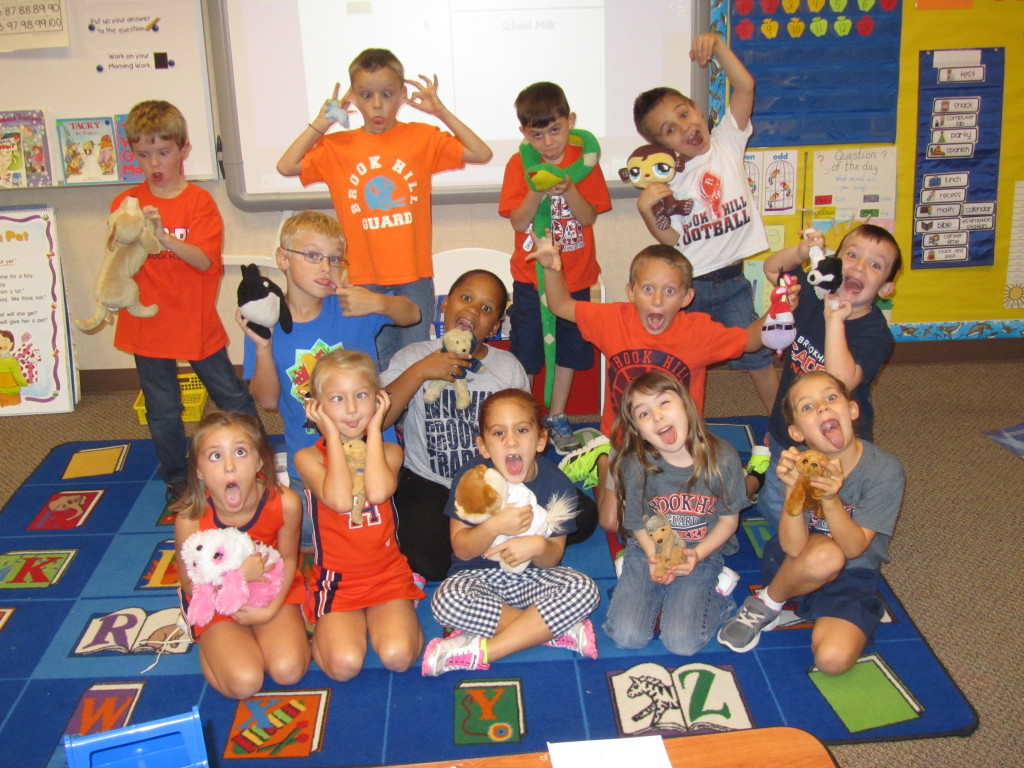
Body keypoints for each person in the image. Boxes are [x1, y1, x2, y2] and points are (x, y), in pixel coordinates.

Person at [529, 238, 786, 533]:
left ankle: (754, 473)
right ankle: (601, 459)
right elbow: (561, 305)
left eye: (670, 291)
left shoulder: (698, 331)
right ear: (631, 291)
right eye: (648, 289)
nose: (658, 301)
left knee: (708, 518)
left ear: (686, 297)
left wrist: (779, 308)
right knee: (611, 523)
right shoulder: (612, 320)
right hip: (624, 443)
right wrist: (551, 268)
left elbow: (752, 340)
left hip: (683, 445)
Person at [277, 48, 492, 368]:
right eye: (365, 95)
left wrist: (440, 111)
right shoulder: (337, 148)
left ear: (403, 95)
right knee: (368, 362)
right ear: (353, 96)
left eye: (388, 94)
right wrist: (323, 121)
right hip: (363, 276)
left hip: (414, 276)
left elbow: (481, 152)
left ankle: (407, 421)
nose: (377, 105)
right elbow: (286, 165)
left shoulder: (421, 137)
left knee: (413, 362)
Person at [239, 210, 419, 546]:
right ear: (283, 258)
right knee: (305, 537)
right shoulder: (267, 322)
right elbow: (266, 400)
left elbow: (413, 314)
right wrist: (263, 348)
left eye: (334, 259)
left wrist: (378, 302)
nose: (326, 267)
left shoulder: (351, 307)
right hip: (311, 460)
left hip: (374, 452)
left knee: (386, 534)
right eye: (312, 255)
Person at [111, 100, 258, 505]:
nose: (154, 163)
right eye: (143, 155)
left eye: (163, 152)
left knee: (232, 396)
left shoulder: (198, 202)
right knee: (162, 410)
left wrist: (164, 238)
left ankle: (256, 461)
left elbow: (204, 259)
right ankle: (177, 478)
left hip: (193, 320)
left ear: (184, 149)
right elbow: (117, 261)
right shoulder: (126, 204)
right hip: (147, 324)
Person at [717, 372, 905, 675]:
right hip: (794, 563)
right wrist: (793, 490)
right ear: (797, 433)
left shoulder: (884, 470)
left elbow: (855, 548)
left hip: (853, 573)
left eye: (831, 398)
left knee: (832, 661)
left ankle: (800, 605)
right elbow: (793, 546)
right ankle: (767, 602)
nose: (822, 408)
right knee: (825, 555)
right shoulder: (798, 465)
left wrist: (831, 500)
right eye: (807, 407)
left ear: (852, 410)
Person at [632, 33, 778, 415]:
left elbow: (745, 85)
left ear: (698, 109)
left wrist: (717, 47)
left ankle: (784, 423)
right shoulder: (667, 179)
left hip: (731, 282)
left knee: (757, 356)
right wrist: (648, 210)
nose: (684, 128)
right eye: (669, 130)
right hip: (688, 287)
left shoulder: (727, 141)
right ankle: (678, 431)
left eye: (684, 114)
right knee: (681, 365)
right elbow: (670, 239)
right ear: (660, 146)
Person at [422, 388, 600, 675]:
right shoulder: (472, 478)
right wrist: (494, 526)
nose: (511, 441)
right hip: (477, 579)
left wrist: (538, 547)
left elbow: (552, 557)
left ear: (541, 440)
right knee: (445, 600)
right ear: (483, 446)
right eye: (498, 433)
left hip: (534, 580)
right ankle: (549, 631)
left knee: (585, 590)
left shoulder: (559, 485)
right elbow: (462, 549)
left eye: (521, 430)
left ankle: (485, 650)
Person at [379, 270, 530, 581]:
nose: (473, 310)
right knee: (426, 563)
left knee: (580, 517)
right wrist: (420, 372)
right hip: (428, 480)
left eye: (487, 309)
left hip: (492, 478)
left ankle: (484, 543)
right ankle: (484, 551)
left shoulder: (507, 367)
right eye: (466, 298)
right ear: (445, 304)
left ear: (496, 325)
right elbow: (379, 416)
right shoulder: (413, 355)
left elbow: (524, 429)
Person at [755, 224, 900, 528]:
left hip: (839, 439)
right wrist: (801, 252)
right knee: (776, 497)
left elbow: (840, 382)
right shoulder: (814, 291)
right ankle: (786, 539)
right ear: (835, 260)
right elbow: (772, 269)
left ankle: (822, 542)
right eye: (852, 255)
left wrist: (834, 318)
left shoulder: (876, 334)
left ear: (885, 288)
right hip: (791, 428)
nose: (859, 267)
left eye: (875, 265)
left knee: (828, 504)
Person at [295, 349, 425, 681]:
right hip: (338, 580)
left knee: (399, 657)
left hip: (387, 575)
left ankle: (396, 615)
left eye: (362, 395)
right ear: (318, 408)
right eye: (338, 399)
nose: (352, 409)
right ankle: (323, 628)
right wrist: (334, 437)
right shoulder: (307, 458)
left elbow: (379, 491)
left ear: (377, 399)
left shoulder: (391, 450)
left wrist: (376, 428)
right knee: (344, 666)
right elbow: (339, 500)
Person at [498, 82, 611, 451]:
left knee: (569, 351)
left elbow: (589, 217)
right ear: (524, 135)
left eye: (555, 130)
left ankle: (558, 415)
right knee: (527, 352)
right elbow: (517, 222)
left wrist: (568, 188)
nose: (548, 143)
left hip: (574, 276)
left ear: (571, 122)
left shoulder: (584, 162)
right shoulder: (519, 164)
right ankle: (524, 417)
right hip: (530, 278)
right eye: (537, 135)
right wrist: (536, 187)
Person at [602, 372, 745, 655]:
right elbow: (636, 523)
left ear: (686, 405)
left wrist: (698, 555)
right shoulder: (636, 464)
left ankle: (717, 596)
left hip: (701, 549)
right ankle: (646, 582)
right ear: (638, 430)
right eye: (644, 413)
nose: (657, 416)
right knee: (626, 635)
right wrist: (656, 557)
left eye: (664, 403)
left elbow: (729, 520)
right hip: (651, 545)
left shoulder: (723, 458)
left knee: (681, 643)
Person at [173, 411, 309, 699]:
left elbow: (287, 560)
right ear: (198, 470)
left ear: (260, 461)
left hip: (269, 590)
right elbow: (189, 583)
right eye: (214, 456)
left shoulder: (285, 503)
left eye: (240, 452)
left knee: (289, 670)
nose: (230, 467)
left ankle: (246, 639)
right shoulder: (190, 519)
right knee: (246, 682)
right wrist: (231, 581)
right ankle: (205, 638)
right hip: (213, 599)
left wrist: (270, 610)